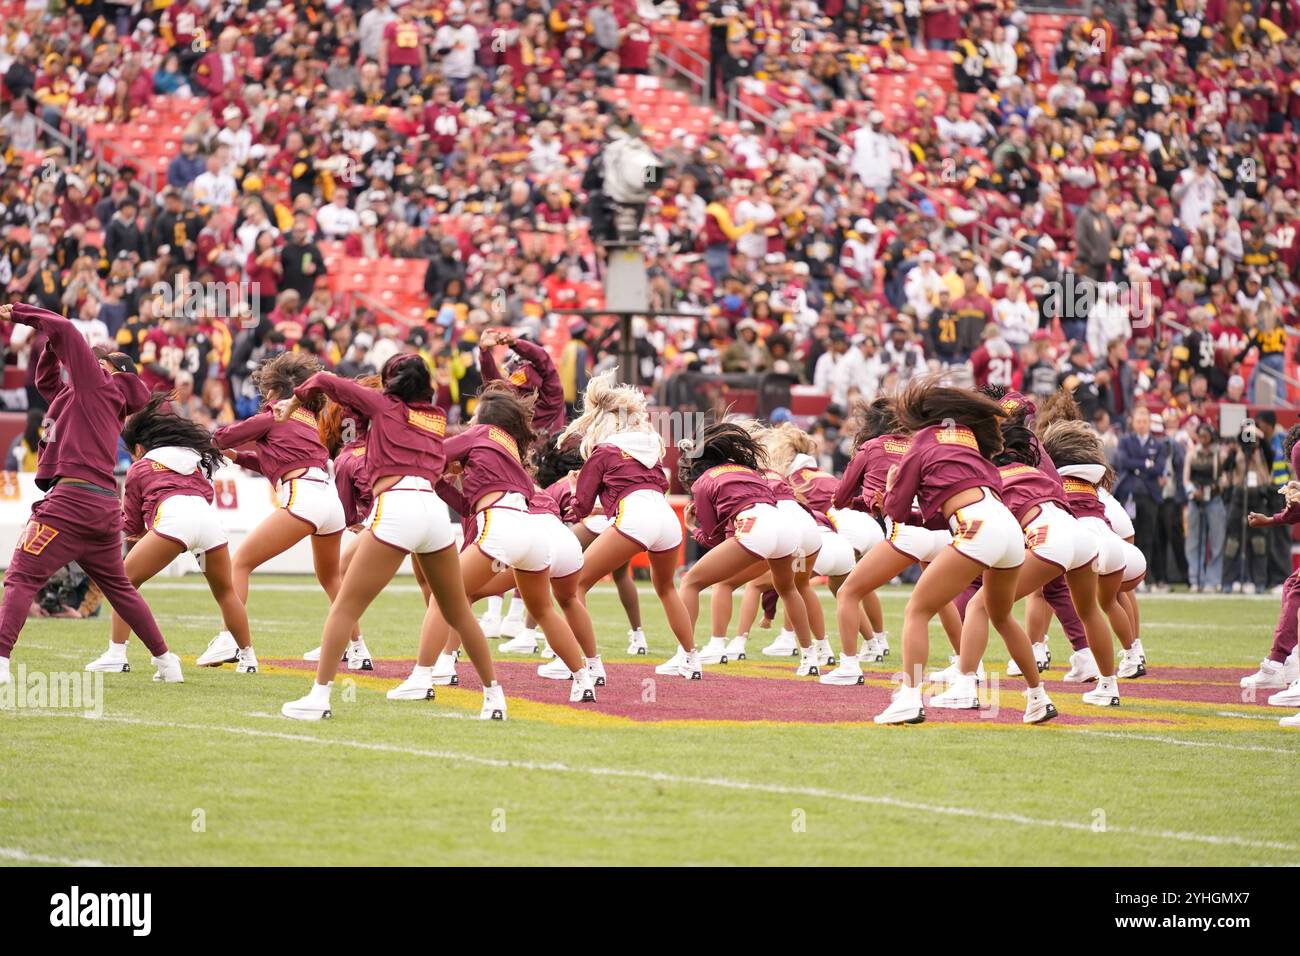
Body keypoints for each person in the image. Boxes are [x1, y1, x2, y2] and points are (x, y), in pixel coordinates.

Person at [276, 354, 504, 721]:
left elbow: (325, 380)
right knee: (459, 612)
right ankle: (494, 698)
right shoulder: (436, 416)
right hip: (432, 513)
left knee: (345, 606)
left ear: (390, 381)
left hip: (397, 506)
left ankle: (319, 698)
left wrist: (294, 399)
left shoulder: (383, 405)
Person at [0, 303, 182, 685]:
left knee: (20, 577)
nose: (94, 364)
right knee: (120, 589)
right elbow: (47, 383)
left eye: (102, 362)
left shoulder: (97, 386)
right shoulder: (95, 397)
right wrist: (50, 345)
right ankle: (167, 661)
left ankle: (0, 660)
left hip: (71, 500)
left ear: (114, 373)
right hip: (99, 505)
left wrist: (18, 312)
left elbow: (65, 326)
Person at [388, 384, 598, 704]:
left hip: (502, 528)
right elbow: (467, 503)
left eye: (474, 417)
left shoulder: (482, 433)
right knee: (543, 609)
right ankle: (583, 678)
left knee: (442, 598)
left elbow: (434, 454)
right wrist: (446, 479)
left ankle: (422, 675)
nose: (470, 423)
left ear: (487, 419)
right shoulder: (511, 448)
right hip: (530, 532)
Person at [85, 395, 255, 675]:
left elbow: (131, 523)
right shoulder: (194, 459)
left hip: (175, 521)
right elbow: (207, 493)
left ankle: (117, 653)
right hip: (209, 521)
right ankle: (249, 658)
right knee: (226, 592)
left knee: (122, 582)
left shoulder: (140, 467)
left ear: (139, 447)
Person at [556, 371, 700, 679]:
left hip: (637, 519)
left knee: (576, 585)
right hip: (665, 520)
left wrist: (569, 492)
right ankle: (690, 659)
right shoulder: (651, 450)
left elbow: (580, 507)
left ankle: (584, 663)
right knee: (666, 589)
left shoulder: (605, 451)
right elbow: (643, 492)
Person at [210, 353, 349, 666]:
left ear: (274, 390)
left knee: (240, 563)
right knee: (332, 580)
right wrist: (237, 457)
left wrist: (212, 440)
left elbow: (224, 436)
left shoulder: (276, 411)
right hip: (329, 500)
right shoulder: (309, 419)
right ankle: (355, 647)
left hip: (304, 497)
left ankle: (229, 639)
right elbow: (279, 461)